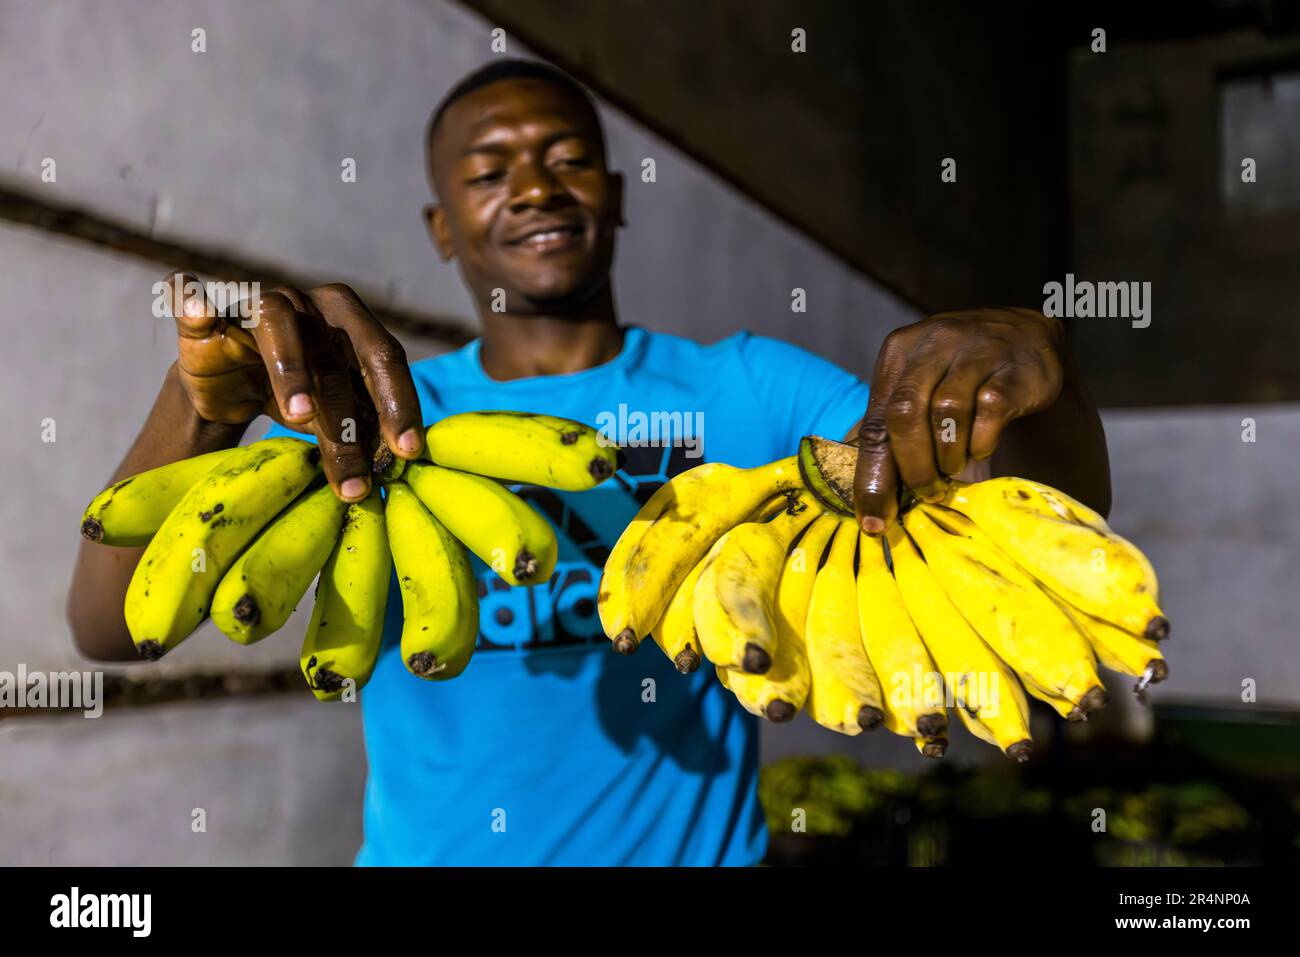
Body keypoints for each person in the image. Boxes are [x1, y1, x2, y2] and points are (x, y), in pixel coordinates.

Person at [66, 58, 1110, 865]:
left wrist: (1041, 371)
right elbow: (113, 627)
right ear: (442, 227)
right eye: (488, 171)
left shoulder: (750, 395)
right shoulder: (374, 426)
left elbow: (1043, 532)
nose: (532, 186)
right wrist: (204, 404)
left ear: (615, 194)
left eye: (564, 159)